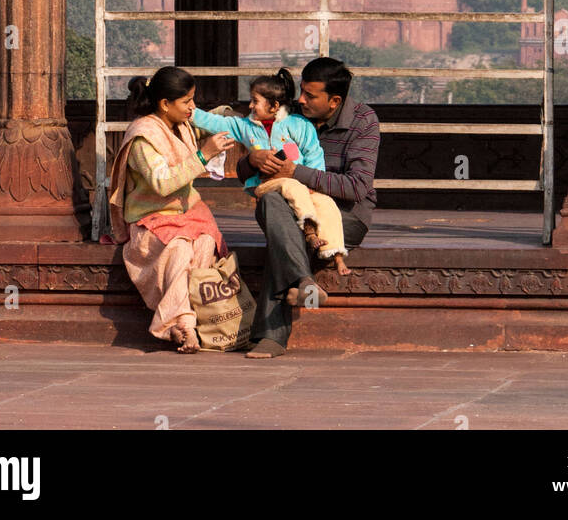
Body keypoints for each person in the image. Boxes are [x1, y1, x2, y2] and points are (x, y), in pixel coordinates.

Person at [238, 55, 380, 359]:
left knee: (281, 232)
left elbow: (357, 187)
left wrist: (296, 172)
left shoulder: (362, 122)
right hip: (292, 207)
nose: (301, 100)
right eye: (301, 91)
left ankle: (272, 336)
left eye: (310, 96)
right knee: (273, 200)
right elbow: (246, 172)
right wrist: (251, 160)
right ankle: (304, 282)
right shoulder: (288, 117)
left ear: (334, 101)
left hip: (342, 217)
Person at [108, 67, 235, 353]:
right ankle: (187, 328)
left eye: (193, 100)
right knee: (178, 250)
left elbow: (208, 121)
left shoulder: (181, 124)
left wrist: (236, 117)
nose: (192, 108)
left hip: (187, 218)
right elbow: (162, 184)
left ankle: (179, 323)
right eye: (187, 102)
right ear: (165, 104)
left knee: (204, 244)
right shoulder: (144, 137)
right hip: (152, 223)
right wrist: (205, 155)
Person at [190, 67, 350, 272]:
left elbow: (313, 153)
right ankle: (309, 232)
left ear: (274, 106)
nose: (250, 105)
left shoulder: (298, 125)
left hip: (303, 188)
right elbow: (216, 122)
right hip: (268, 186)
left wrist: (314, 185)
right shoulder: (246, 126)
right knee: (291, 185)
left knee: (327, 203)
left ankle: (335, 254)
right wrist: (190, 112)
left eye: (255, 101)